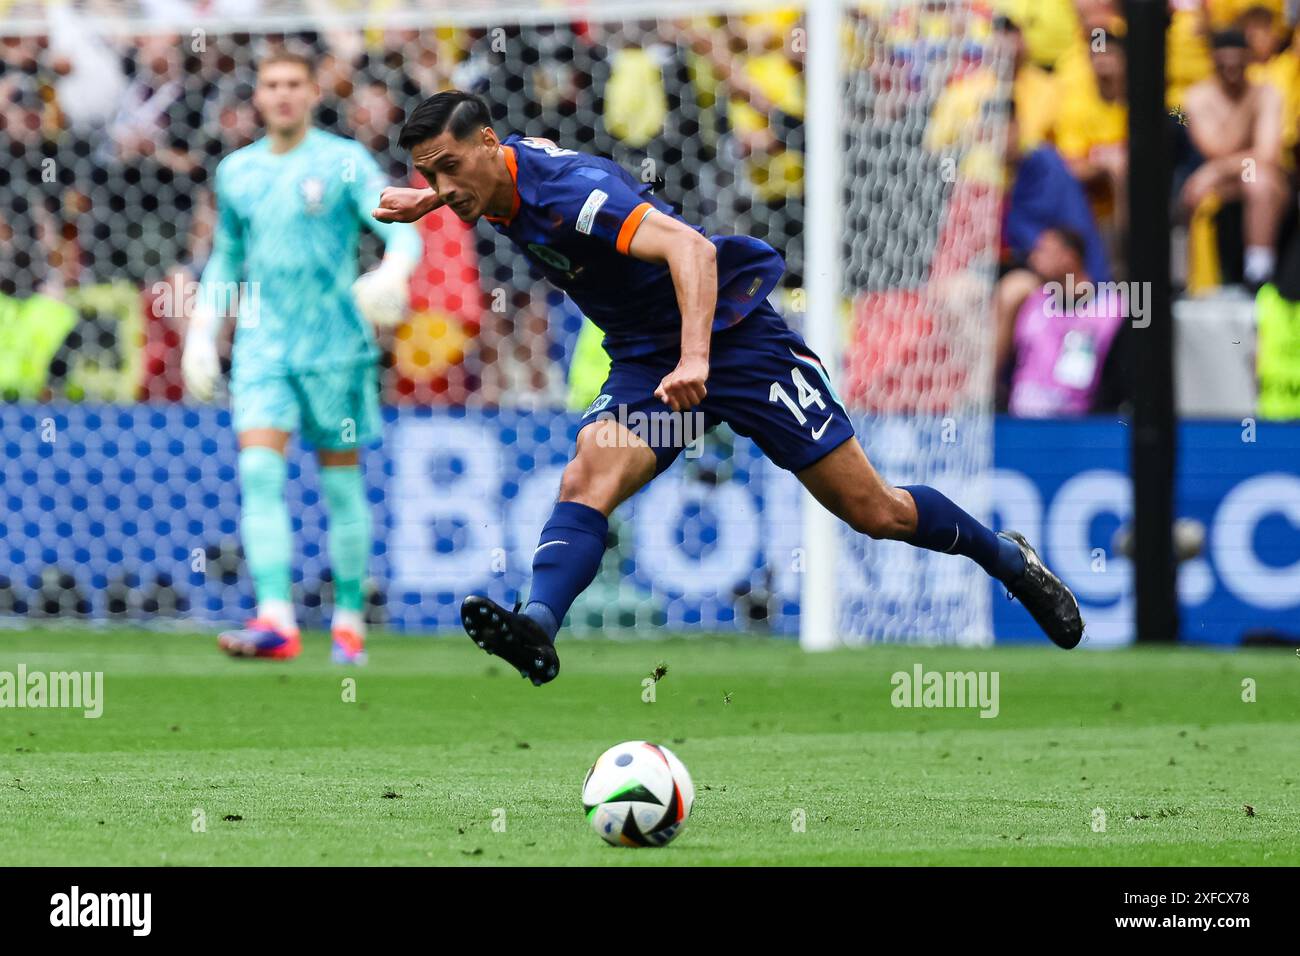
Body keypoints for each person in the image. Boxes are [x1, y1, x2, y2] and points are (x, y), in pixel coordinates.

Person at [374, 91, 1084, 686]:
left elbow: (692, 248)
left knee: (876, 511)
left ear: (489, 143)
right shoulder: (490, 182)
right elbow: (511, 170)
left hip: (736, 344)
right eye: (428, 175)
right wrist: (433, 203)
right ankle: (535, 629)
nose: (440, 187)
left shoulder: (573, 195)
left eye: (447, 170)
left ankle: (1007, 559)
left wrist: (696, 359)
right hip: (649, 363)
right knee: (587, 473)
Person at [181, 51, 422, 663]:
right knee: (260, 473)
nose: (282, 94)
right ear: (257, 97)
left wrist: (394, 271)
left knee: (340, 485)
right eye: (271, 84)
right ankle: (277, 619)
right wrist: (203, 333)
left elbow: (402, 226)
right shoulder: (236, 171)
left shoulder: (343, 161)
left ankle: (347, 620)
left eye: (293, 84)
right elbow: (227, 258)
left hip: (336, 349)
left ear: (314, 93)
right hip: (263, 349)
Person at [1180, 29, 1288, 287]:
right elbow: (1214, 147)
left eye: (1237, 63)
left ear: (1248, 60)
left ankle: (1259, 272)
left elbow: (1267, 154)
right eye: (1224, 64)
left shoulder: (1268, 93)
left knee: (1257, 179)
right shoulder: (1195, 98)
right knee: (1200, 190)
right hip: (1218, 184)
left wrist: (1216, 170)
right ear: (1213, 62)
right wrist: (1246, 121)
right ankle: (1192, 281)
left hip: (1255, 178)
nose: (1231, 70)